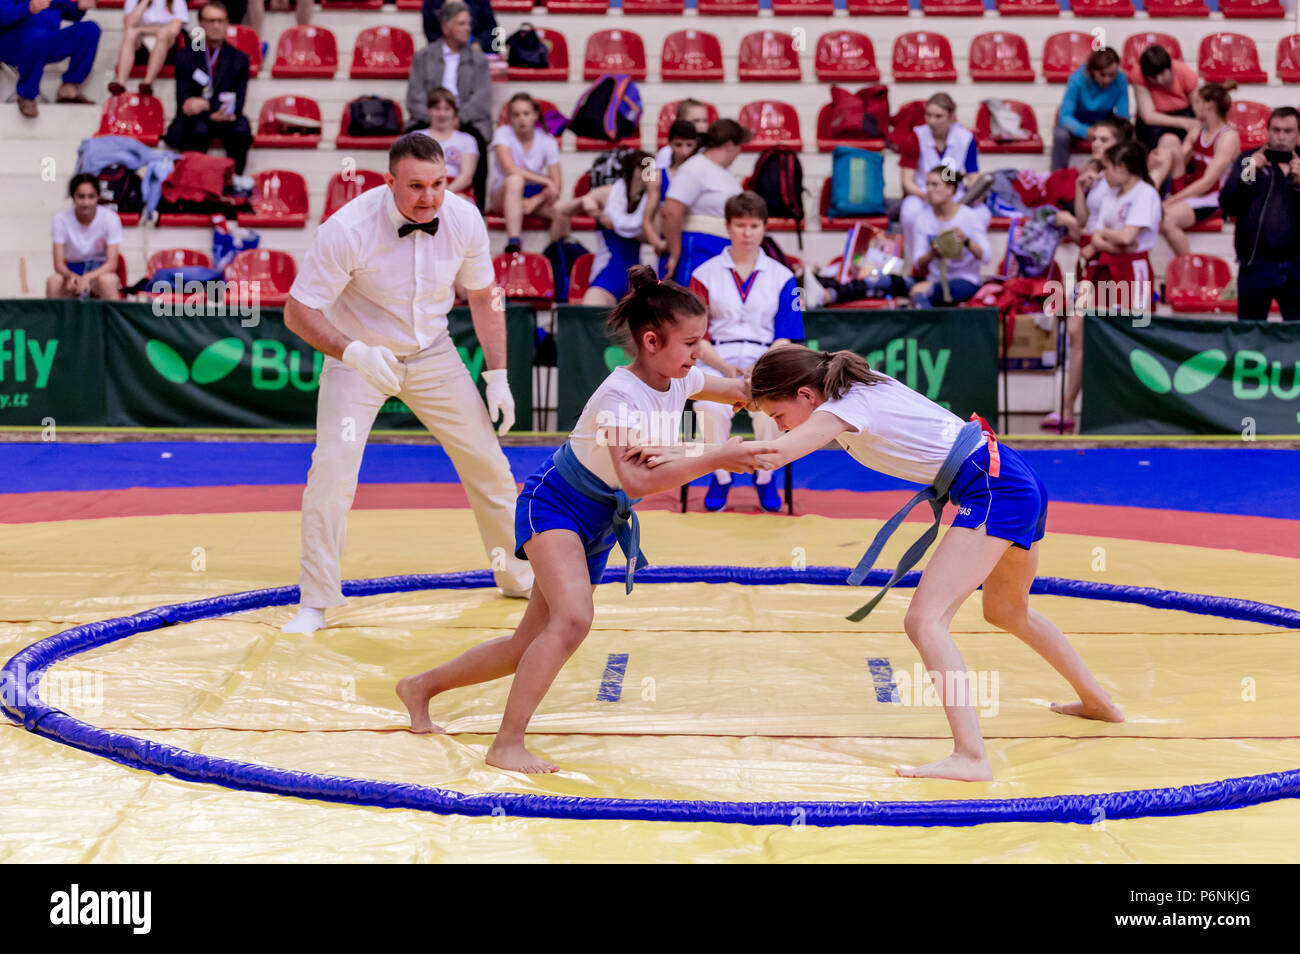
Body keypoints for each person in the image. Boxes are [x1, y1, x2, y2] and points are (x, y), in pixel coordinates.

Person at [395, 265, 774, 773]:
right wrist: (715, 456)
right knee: (573, 619)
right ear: (651, 341)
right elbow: (638, 484)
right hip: (555, 505)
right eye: (690, 342)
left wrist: (786, 386)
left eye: (700, 342)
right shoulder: (621, 397)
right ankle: (506, 743)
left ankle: (419, 687)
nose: (697, 352)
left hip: (597, 521)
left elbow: (737, 391)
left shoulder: (679, 379)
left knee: (522, 647)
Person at [728, 344, 1123, 780]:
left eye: (778, 417)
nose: (779, 427)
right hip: (1008, 473)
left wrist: (678, 456)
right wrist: (701, 391)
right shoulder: (853, 384)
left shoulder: (842, 409)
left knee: (924, 620)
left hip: (992, 487)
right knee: (1008, 611)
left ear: (805, 395)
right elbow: (757, 397)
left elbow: (774, 455)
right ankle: (1098, 703)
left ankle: (971, 755)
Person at [280, 133, 533, 635]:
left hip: (433, 353)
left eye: (439, 184)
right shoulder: (346, 228)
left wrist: (498, 376)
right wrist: (352, 351)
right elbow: (297, 311)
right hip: (357, 356)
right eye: (416, 186)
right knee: (332, 470)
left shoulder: (462, 218)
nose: (429, 198)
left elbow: (485, 298)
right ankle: (316, 599)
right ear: (389, 182)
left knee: (489, 464)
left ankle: (517, 576)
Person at [689, 191, 801, 513]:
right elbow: (696, 337)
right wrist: (724, 368)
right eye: (740, 225)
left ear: (764, 227)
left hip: (766, 360)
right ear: (727, 227)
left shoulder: (784, 276)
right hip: (716, 358)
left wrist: (760, 368)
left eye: (754, 225)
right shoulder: (703, 273)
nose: (747, 233)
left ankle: (765, 477)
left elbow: (787, 337)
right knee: (708, 409)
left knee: (774, 408)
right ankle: (720, 476)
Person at [1042, 117, 1131, 432]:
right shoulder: (1093, 175)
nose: (1096, 145)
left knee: (1106, 336)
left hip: (1113, 264)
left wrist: (1075, 225)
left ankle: (1113, 411)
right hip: (1088, 265)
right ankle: (1067, 408)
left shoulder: (1124, 180)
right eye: (1094, 139)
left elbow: (1106, 228)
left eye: (1104, 140)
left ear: (1119, 144)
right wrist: (1081, 190)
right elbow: (1085, 219)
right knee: (1076, 332)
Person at [406, 2, 492, 211]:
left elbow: (482, 97)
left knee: (477, 140)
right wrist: (434, 117)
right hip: (430, 117)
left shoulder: (478, 59)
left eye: (468, 23)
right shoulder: (424, 56)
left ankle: (478, 211)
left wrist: (457, 118)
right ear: (446, 28)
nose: (468, 28)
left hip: (465, 119)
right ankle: (407, 202)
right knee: (407, 141)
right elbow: (414, 96)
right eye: (461, 24)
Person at [1219, 106, 1300, 321]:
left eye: (1288, 131)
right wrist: (1249, 173)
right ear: (1267, 131)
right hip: (1256, 263)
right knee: (1249, 333)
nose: (1281, 136)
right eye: (1276, 130)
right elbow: (1228, 205)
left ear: (1298, 134)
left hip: (1296, 265)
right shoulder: (1248, 158)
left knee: (1297, 335)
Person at [554, 149, 662, 306]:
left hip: (636, 275)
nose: (655, 176)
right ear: (638, 171)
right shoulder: (608, 193)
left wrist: (622, 227)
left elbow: (653, 237)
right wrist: (586, 203)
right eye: (651, 170)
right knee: (591, 311)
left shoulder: (651, 200)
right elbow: (563, 211)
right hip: (608, 270)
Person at [162, 1, 252, 175]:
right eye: (210, 21)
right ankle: (192, 180)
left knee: (241, 129)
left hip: (226, 116)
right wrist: (210, 110)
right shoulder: (185, 56)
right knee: (197, 129)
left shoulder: (239, 59)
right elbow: (184, 100)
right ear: (201, 24)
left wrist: (207, 105)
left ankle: (235, 179)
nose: (216, 26)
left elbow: (239, 101)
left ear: (227, 23)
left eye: (220, 21)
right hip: (196, 119)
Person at [1077, 141, 1161, 323]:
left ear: (1121, 167)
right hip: (1107, 266)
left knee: (1134, 327)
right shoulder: (1110, 196)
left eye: (1106, 168)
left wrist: (1107, 234)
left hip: (1133, 268)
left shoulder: (1145, 194)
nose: (1104, 174)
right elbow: (1097, 237)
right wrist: (1113, 240)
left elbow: (1126, 236)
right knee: (1098, 326)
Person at [661, 118, 750, 285]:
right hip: (699, 249)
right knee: (693, 304)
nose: (739, 152)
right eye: (739, 147)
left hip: (721, 249)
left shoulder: (723, 172)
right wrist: (675, 253)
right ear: (730, 144)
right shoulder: (695, 168)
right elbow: (671, 211)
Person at [1158, 83, 1240, 257]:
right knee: (1168, 140)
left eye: (1196, 102)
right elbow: (1177, 160)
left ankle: (1187, 267)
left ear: (1208, 105)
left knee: (1165, 220)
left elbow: (1207, 183)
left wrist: (1170, 202)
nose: (1192, 107)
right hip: (1192, 192)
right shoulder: (1197, 132)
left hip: (1213, 197)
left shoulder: (1228, 138)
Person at [898, 93, 990, 239]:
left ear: (951, 116)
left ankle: (966, 258)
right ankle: (917, 258)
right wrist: (928, 195)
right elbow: (907, 182)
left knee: (982, 214)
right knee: (910, 213)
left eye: (938, 116)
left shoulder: (965, 138)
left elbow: (973, 175)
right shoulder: (915, 136)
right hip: (923, 193)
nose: (932, 121)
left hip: (954, 194)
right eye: (928, 115)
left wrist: (976, 192)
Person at [489, 93, 566, 253]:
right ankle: (514, 242)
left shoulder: (547, 140)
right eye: (516, 115)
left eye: (526, 113)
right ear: (510, 118)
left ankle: (555, 255)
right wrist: (545, 180)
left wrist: (535, 201)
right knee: (515, 180)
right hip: (503, 194)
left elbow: (557, 185)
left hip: (532, 194)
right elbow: (510, 169)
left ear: (535, 115)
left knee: (562, 209)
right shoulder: (502, 133)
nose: (521, 119)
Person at [905, 168, 990, 308]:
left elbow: (986, 256)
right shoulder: (923, 219)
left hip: (965, 281)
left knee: (923, 293)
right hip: (934, 280)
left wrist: (967, 241)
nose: (929, 190)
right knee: (887, 283)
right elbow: (918, 262)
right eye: (927, 185)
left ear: (950, 189)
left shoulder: (970, 216)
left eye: (935, 184)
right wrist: (931, 254)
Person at [0, 0, 100, 117]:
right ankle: (27, 95)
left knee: (90, 30)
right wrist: (28, 8)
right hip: (11, 44)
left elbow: (66, 10)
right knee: (37, 36)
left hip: (45, 41)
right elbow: (4, 15)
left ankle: (68, 88)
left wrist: (79, 7)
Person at [46, 173, 123, 300]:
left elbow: (112, 263)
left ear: (98, 196)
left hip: (100, 271)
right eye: (81, 197)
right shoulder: (60, 219)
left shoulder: (111, 219)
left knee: (107, 281)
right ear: (73, 197)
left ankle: (113, 320)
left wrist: (88, 277)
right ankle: (57, 320)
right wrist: (71, 276)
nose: (86, 202)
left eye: (91, 196)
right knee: (53, 281)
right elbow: (58, 263)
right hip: (72, 270)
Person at [1053, 47, 1129, 171]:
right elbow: (1065, 117)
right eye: (1103, 75)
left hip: (1105, 124)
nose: (1108, 80)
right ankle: (1057, 177)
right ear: (1092, 71)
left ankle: (1119, 174)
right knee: (1060, 135)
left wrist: (1109, 131)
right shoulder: (1077, 79)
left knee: (1125, 133)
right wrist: (1087, 131)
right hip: (1077, 124)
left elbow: (1123, 117)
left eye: (1112, 75)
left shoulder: (1120, 79)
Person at [1128, 44, 1198, 156]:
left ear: (1170, 68)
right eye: (1153, 77)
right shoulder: (1138, 73)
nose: (1159, 80)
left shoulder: (1185, 72)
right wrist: (1184, 123)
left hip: (1183, 113)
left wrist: (1192, 124)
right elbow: (1148, 116)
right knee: (1150, 132)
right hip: (1155, 121)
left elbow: (1198, 109)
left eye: (1162, 74)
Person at [109, 0, 187, 97]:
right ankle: (121, 83)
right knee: (130, 33)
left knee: (163, 33)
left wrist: (140, 29)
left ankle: (147, 83)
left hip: (166, 44)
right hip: (142, 45)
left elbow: (174, 29)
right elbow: (129, 24)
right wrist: (144, 2)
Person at [419, 87, 478, 198]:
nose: (442, 114)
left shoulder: (467, 140)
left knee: (461, 202)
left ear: (454, 112)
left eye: (447, 109)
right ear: (429, 110)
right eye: (437, 108)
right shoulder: (416, 138)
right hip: (425, 187)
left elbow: (466, 176)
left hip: (457, 190)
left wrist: (446, 193)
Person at [654, 99, 710, 172]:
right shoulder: (666, 153)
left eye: (704, 121)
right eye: (696, 121)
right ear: (681, 121)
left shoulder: (709, 151)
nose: (702, 126)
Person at [421, 0, 495, 54]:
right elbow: (430, 32)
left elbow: (492, 30)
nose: (467, 28)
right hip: (442, 53)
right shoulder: (431, 3)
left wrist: (479, 44)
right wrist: (448, 48)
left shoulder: (480, 2)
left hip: (477, 52)